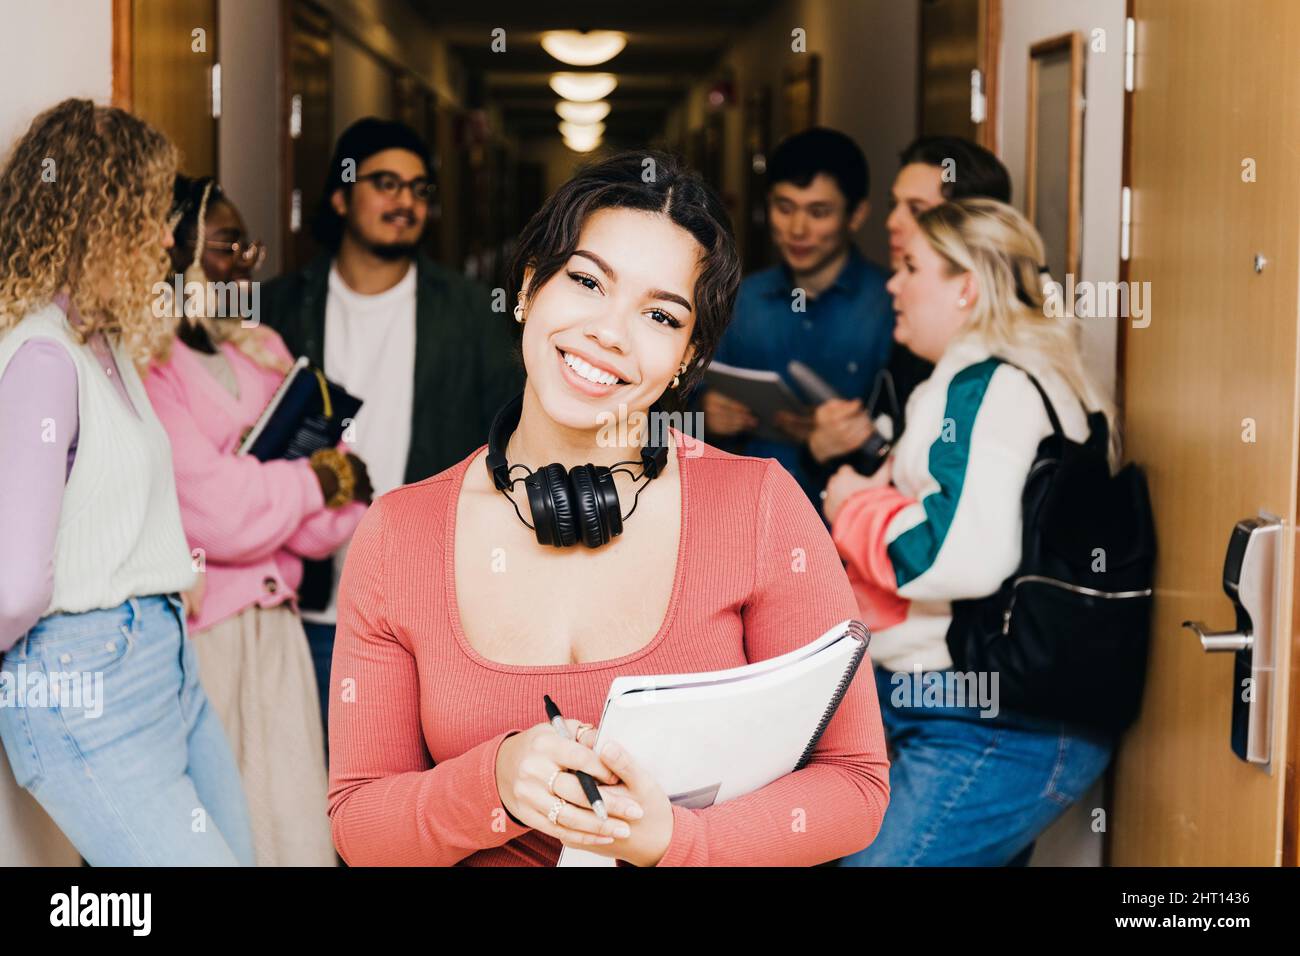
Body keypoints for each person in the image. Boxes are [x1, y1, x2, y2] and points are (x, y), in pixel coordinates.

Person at [326, 150, 890, 866]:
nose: (610, 333)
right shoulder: (399, 534)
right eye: (588, 281)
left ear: (688, 357)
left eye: (660, 314)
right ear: (530, 286)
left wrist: (674, 842)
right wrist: (493, 783)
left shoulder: (761, 508)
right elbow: (358, 821)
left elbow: (856, 783)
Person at [0, 99, 254, 865]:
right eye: (146, 211)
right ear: (95, 218)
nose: (164, 235)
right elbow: (14, 587)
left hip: (162, 663)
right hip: (86, 678)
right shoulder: (42, 359)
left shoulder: (103, 340)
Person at [823, 198, 1114, 866]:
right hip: (956, 703)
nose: (891, 284)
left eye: (910, 267)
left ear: (967, 288)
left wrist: (850, 508)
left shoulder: (989, 385)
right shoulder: (987, 379)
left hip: (991, 721)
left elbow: (959, 554)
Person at [260, 118, 524, 738]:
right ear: (340, 194)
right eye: (386, 183)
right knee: (299, 800)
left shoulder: (467, 312)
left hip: (421, 611)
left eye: (420, 188)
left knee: (400, 803)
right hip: (299, 604)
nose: (406, 201)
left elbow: (509, 439)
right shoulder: (278, 307)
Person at [143, 175, 372, 865]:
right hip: (198, 638)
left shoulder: (262, 346)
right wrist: (313, 482)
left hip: (278, 634)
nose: (247, 260)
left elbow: (334, 516)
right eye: (225, 245)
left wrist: (304, 491)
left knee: (291, 832)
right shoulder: (149, 363)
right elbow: (214, 513)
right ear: (173, 251)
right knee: (214, 835)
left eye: (250, 244)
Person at [698, 127, 894, 506]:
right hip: (742, 508)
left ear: (856, 216)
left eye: (818, 212)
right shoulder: (741, 298)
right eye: (784, 208)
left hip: (846, 524)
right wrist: (705, 414)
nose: (797, 229)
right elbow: (677, 410)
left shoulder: (891, 302)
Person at [809, 135, 1012, 474]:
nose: (892, 223)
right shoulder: (912, 324)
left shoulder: (1000, 374)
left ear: (970, 228)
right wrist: (828, 448)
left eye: (917, 210)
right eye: (894, 205)